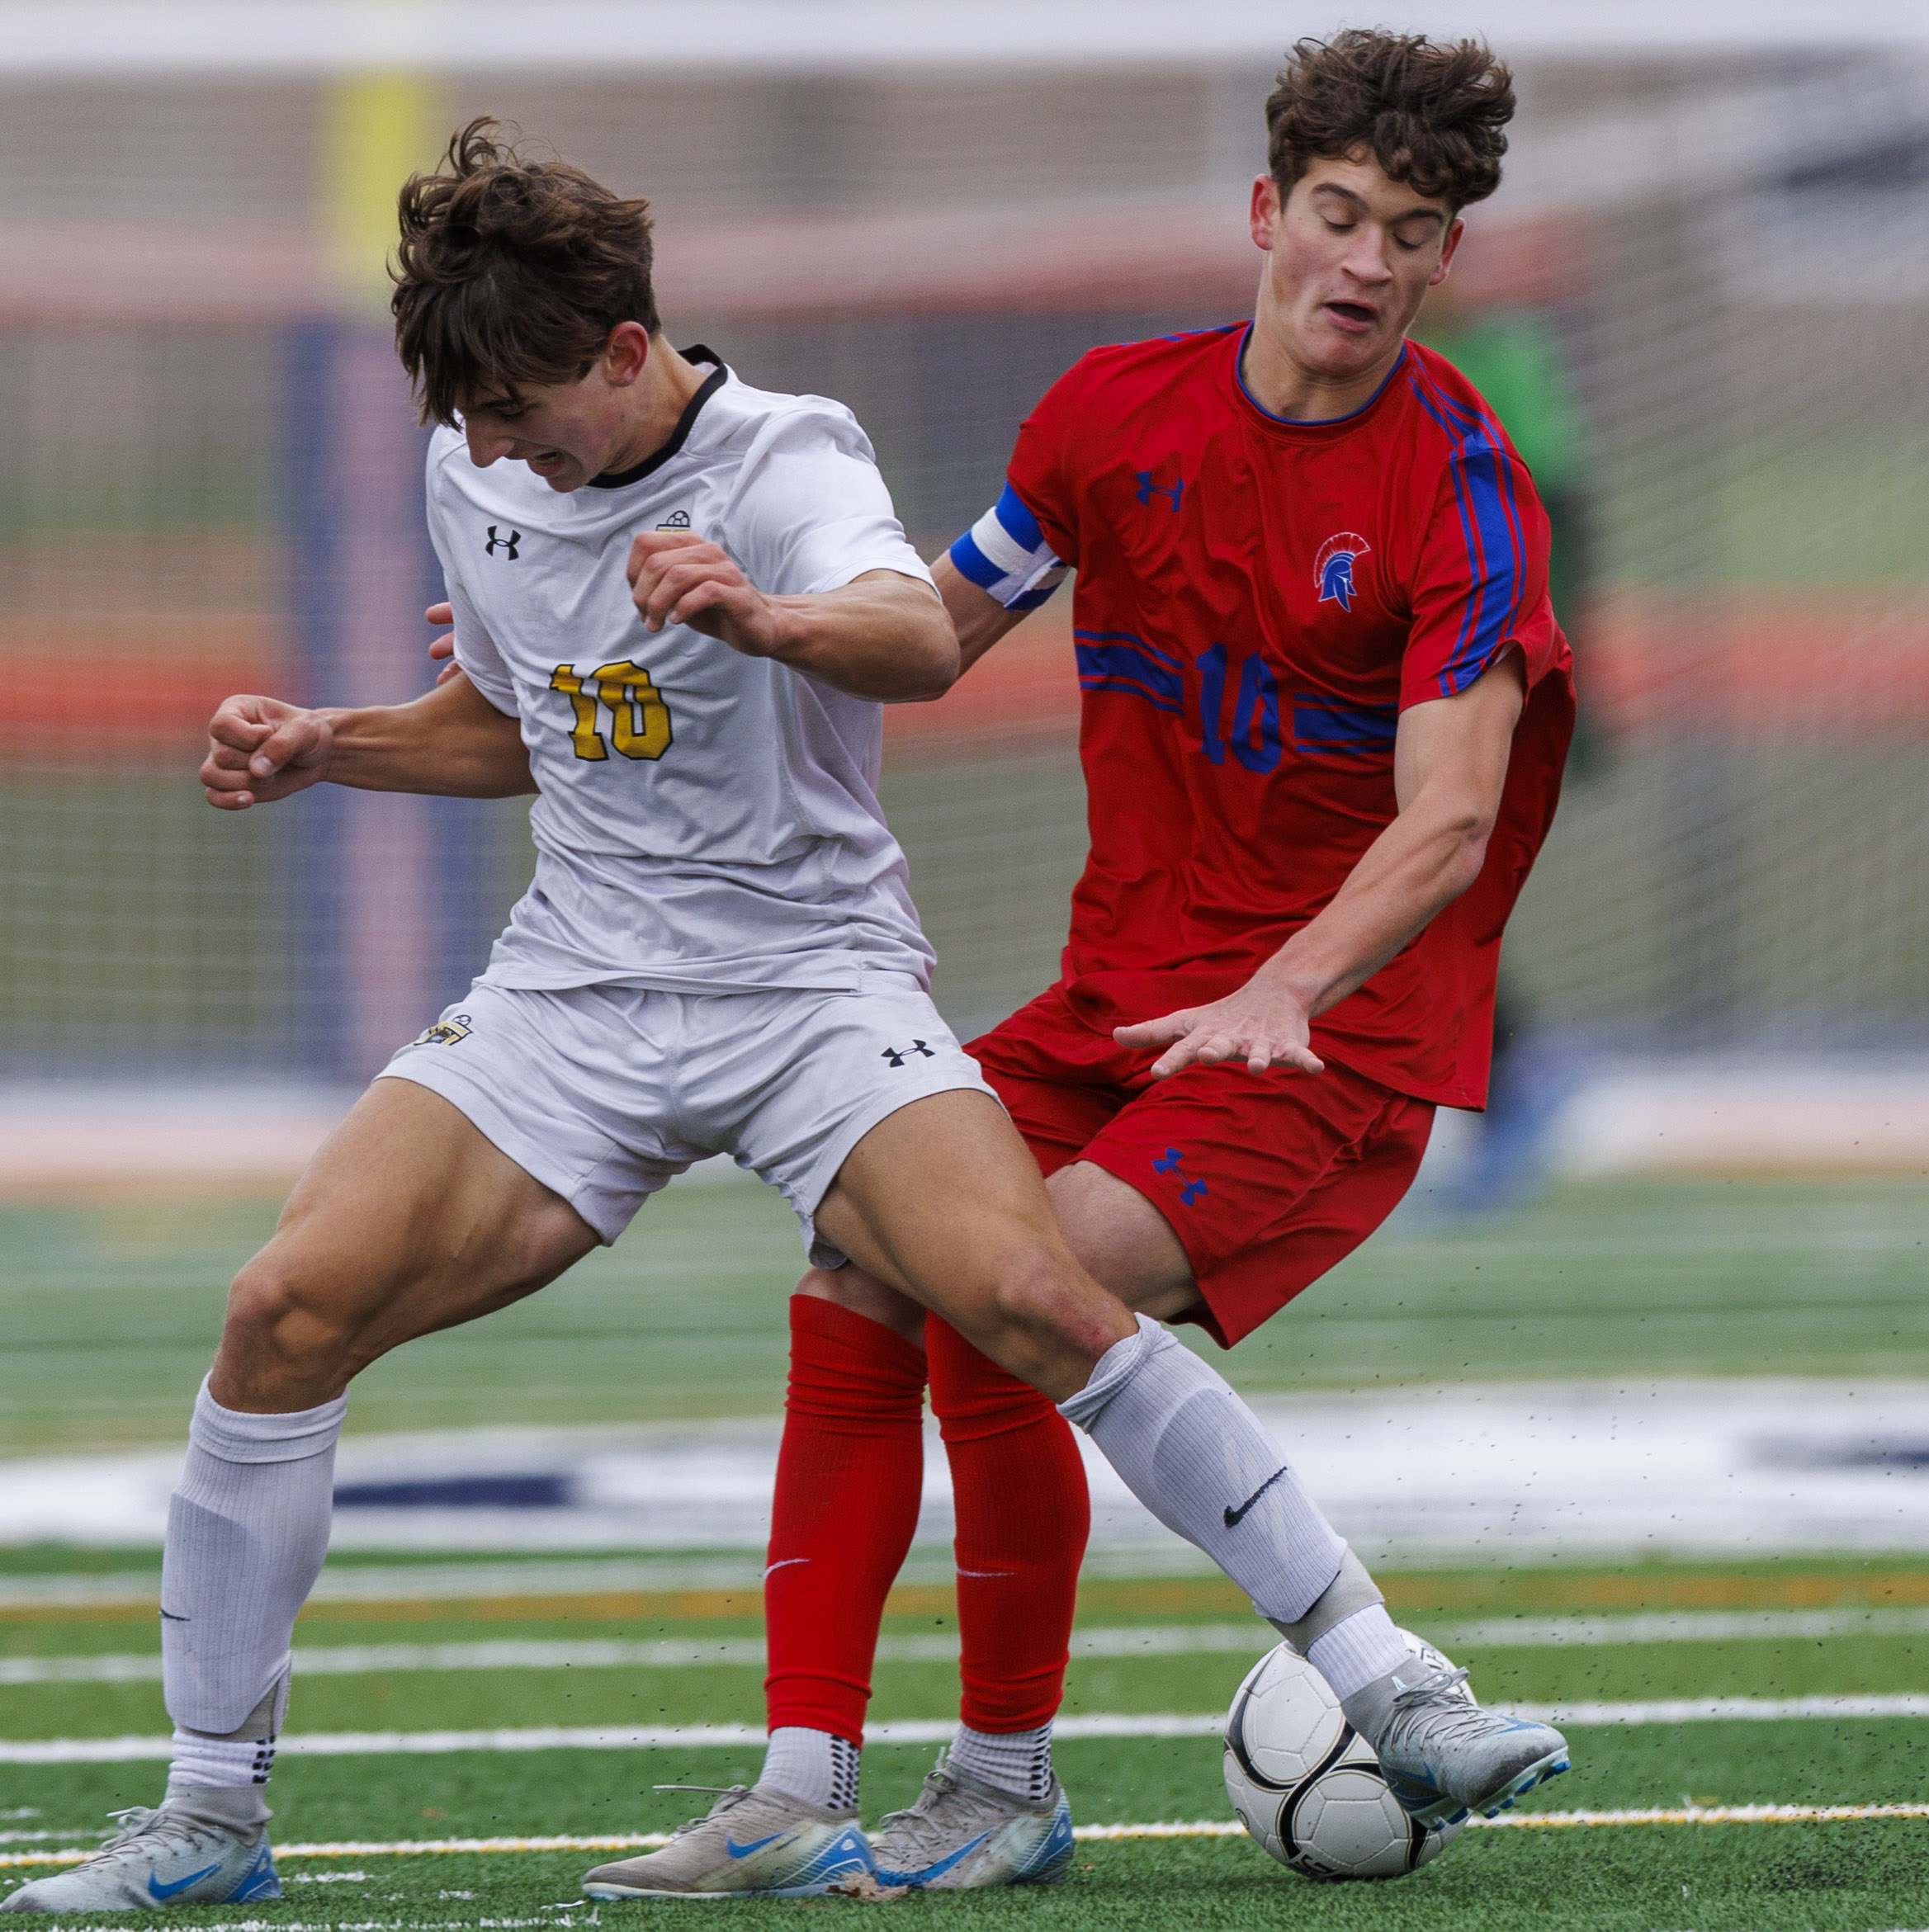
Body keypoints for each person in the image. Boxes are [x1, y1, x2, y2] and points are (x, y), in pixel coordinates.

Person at [0, 106, 1563, 1916]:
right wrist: (329, 744)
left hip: (816, 988)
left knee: (1021, 1296)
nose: (495, 453)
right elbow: (532, 722)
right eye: (467, 425)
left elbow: (914, 636)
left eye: (519, 414)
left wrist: (755, 613)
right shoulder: (484, 460)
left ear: (623, 351)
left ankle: (1385, 1685)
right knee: (280, 1308)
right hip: (571, 992)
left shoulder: (788, 460)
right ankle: (214, 1815)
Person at [749, 29, 1580, 1892]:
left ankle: (1031, 1768)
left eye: (1412, 232)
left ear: (1444, 259)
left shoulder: (1458, 479)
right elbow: (935, 635)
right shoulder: (1103, 418)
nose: (1365, 262)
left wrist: (1290, 983)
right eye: (1340, 215)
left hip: (1331, 1043)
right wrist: (761, 618)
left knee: (999, 1279)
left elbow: (1446, 817)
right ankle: (803, 1786)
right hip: (1114, 996)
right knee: (858, 1260)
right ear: (1265, 211)